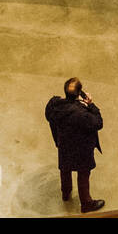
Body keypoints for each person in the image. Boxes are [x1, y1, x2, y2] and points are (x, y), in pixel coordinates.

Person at [44, 77, 105, 212]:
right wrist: (91, 105)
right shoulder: (82, 113)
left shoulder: (55, 106)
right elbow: (98, 123)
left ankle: (66, 193)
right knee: (83, 174)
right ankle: (86, 203)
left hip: (64, 146)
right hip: (82, 149)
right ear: (79, 93)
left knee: (65, 169)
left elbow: (49, 114)